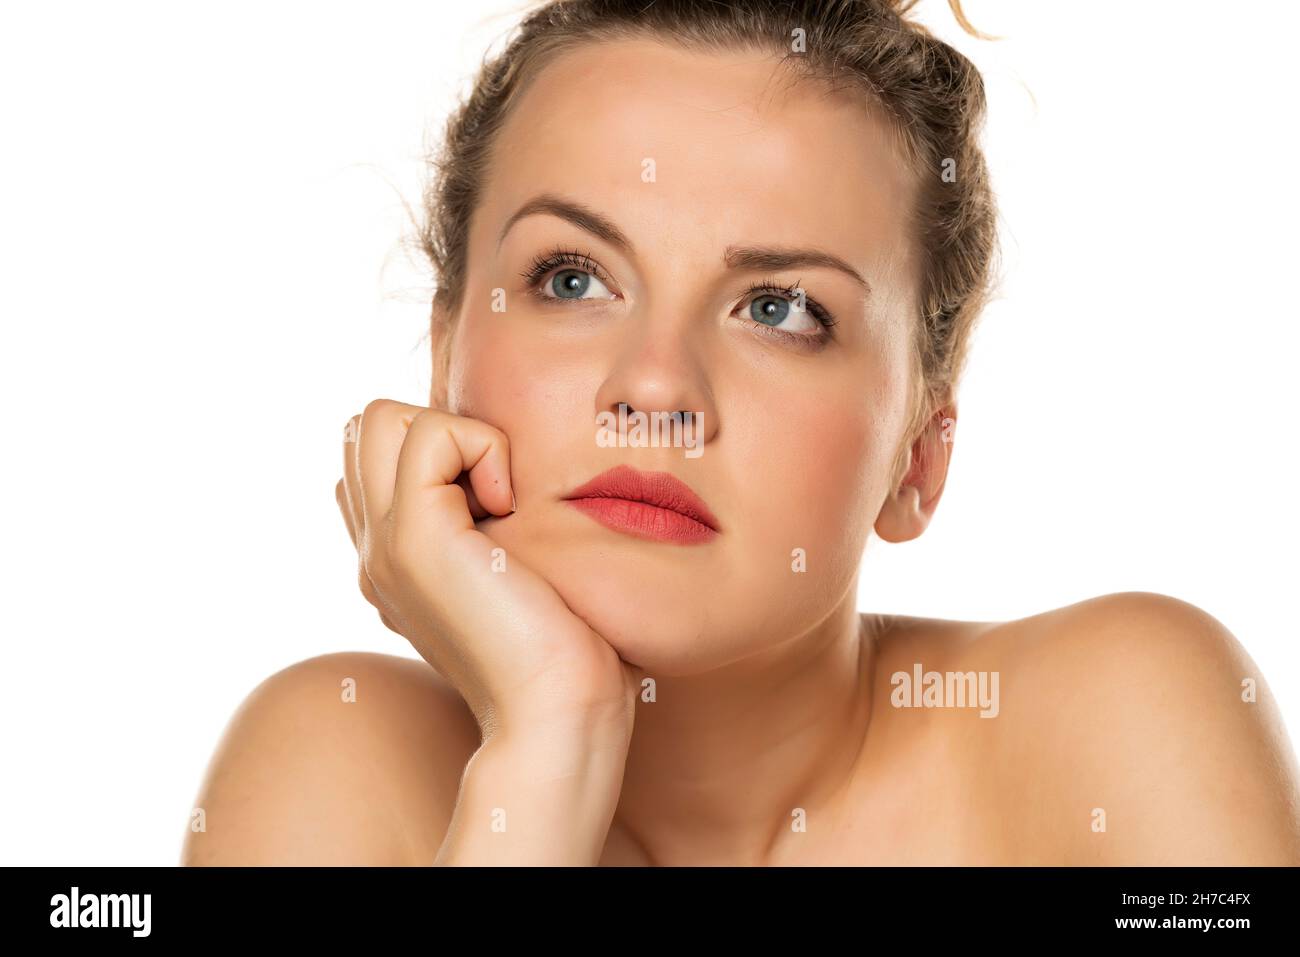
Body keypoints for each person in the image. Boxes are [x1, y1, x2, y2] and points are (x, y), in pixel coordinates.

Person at [182, 0, 1300, 866]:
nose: (655, 388)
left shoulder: (1118, 716)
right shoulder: (335, 765)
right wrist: (546, 750)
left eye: (780, 310)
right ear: (445, 356)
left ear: (919, 456)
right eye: (571, 279)